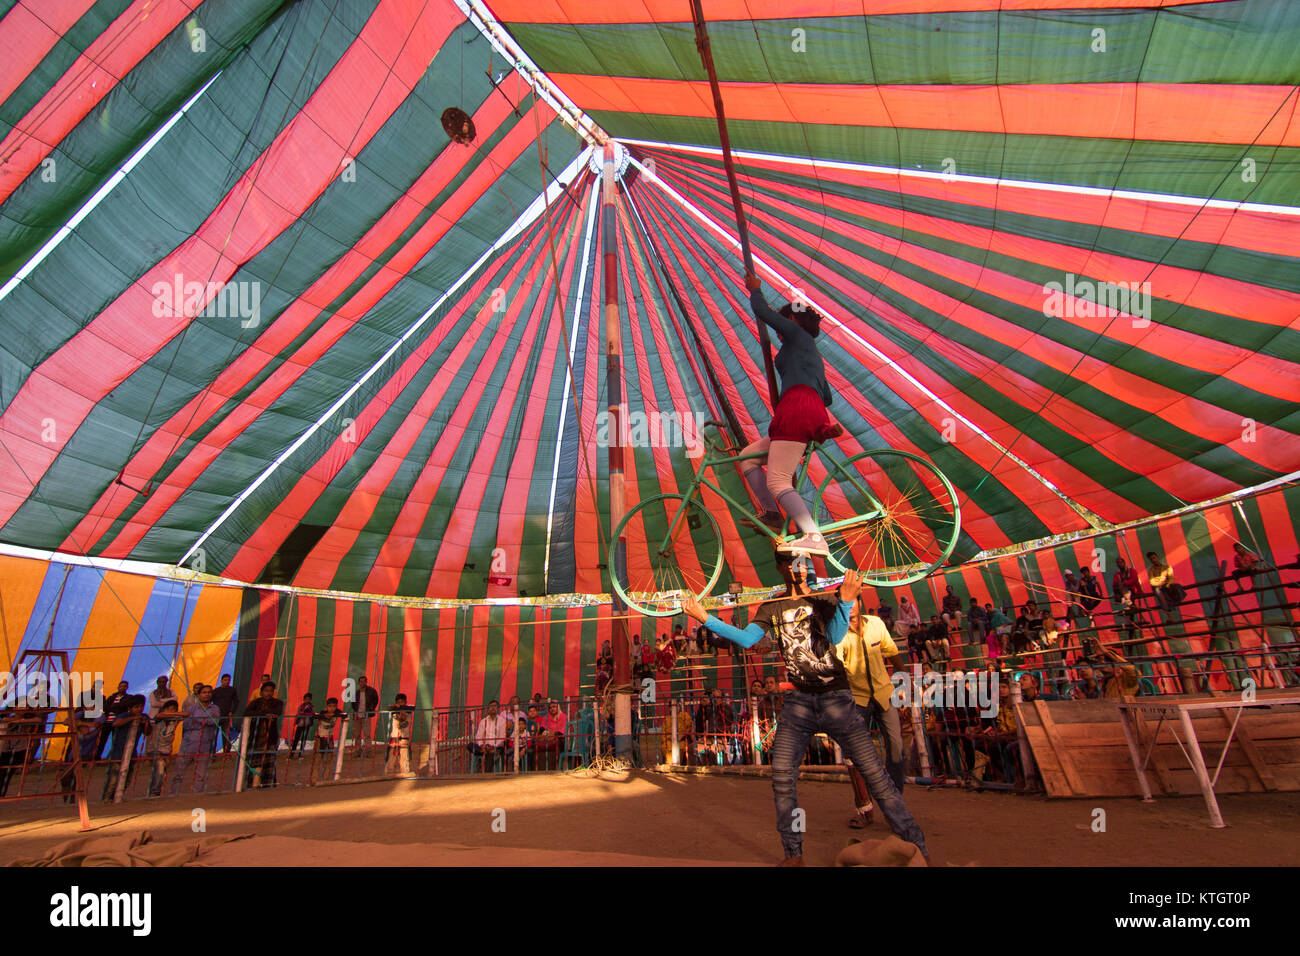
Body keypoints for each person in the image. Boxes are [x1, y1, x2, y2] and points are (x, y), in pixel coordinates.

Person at [683, 557, 928, 865]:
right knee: (783, 777)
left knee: (876, 777)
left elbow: (836, 636)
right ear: (783, 568)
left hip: (836, 698)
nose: (799, 567)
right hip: (799, 703)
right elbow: (747, 639)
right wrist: (706, 617)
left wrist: (846, 602)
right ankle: (794, 853)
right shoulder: (772, 607)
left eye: (804, 561)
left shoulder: (825, 599)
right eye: (792, 562)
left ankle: (916, 846)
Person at [736, 273, 843, 555]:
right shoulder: (808, 351)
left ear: (793, 321)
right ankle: (771, 513)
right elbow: (827, 397)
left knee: (778, 480)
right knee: (748, 458)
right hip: (801, 408)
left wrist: (755, 290)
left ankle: (814, 537)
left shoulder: (798, 335)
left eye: (785, 321)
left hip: (796, 408)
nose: (779, 331)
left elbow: (762, 312)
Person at [836, 596, 906, 829]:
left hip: (884, 694)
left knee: (896, 749)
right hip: (857, 699)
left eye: (853, 599)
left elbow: (891, 650)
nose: (851, 605)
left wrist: (905, 677)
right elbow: (836, 668)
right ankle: (864, 809)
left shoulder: (876, 623)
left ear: (859, 601)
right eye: (845, 600)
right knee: (853, 757)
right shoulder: (837, 633)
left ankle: (894, 805)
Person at [169, 685, 220, 795]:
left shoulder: (215, 708)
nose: (207, 694)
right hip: (188, 743)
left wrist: (196, 719)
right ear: (198, 695)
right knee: (179, 771)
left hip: (205, 743)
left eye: (209, 692)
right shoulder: (191, 709)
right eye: (204, 692)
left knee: (201, 773)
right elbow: (187, 725)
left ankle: (197, 794)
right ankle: (174, 793)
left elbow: (213, 721)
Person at [101, 695, 149, 802]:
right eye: (136, 707)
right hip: (117, 752)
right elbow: (115, 723)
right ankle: (106, 799)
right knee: (113, 779)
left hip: (132, 753)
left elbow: (148, 732)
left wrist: (145, 723)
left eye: (141, 707)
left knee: (127, 777)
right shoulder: (124, 716)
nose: (139, 709)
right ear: (130, 708)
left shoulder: (144, 717)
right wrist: (133, 718)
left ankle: (118, 796)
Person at [244, 681, 285, 789]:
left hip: (270, 737)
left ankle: (267, 783)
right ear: (261, 692)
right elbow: (247, 712)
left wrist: (265, 713)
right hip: (256, 737)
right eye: (266, 691)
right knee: (254, 760)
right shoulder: (255, 702)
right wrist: (264, 714)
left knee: (269, 761)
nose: (268, 693)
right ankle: (252, 783)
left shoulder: (277, 702)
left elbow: (278, 711)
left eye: (271, 691)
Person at [145, 699, 181, 796]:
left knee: (161, 771)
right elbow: (159, 715)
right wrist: (173, 715)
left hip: (166, 749)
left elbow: (186, 714)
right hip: (155, 748)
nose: (171, 711)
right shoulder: (159, 719)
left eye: (174, 710)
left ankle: (155, 790)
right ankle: (154, 792)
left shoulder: (174, 721)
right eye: (169, 709)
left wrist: (176, 715)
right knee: (159, 769)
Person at [310, 697, 343, 785]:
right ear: (326, 706)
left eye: (334, 706)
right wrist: (324, 716)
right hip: (320, 738)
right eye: (330, 706)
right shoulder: (322, 713)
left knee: (329, 759)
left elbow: (343, 714)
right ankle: (314, 779)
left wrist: (335, 714)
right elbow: (314, 715)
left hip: (329, 738)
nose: (331, 708)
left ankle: (326, 779)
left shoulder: (336, 713)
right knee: (318, 759)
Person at [470, 700, 509, 773]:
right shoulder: (483, 721)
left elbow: (502, 738)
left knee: (492, 753)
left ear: (498, 708)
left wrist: (493, 746)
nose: (492, 708)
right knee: (470, 745)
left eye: (494, 706)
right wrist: (482, 745)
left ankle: (487, 773)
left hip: (495, 746)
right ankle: (485, 751)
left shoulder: (502, 721)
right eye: (491, 707)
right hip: (484, 747)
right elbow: (478, 736)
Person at [385, 694, 414, 776]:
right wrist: (396, 707)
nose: (400, 704)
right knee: (391, 756)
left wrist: (401, 709)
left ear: (405, 702)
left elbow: (412, 709)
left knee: (404, 756)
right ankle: (388, 772)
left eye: (402, 702)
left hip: (404, 736)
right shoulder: (394, 710)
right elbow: (389, 708)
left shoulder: (408, 710)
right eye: (398, 702)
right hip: (394, 736)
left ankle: (405, 771)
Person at [210, 674, 239, 753]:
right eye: (225, 680)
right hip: (216, 716)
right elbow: (209, 702)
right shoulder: (216, 691)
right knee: (213, 735)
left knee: (226, 735)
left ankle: (226, 752)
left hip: (226, 716)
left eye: (228, 680)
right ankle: (212, 753)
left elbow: (236, 702)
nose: (227, 682)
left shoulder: (232, 690)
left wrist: (232, 712)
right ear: (221, 681)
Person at [535, 700, 568, 770]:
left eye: (554, 707)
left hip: (559, 738)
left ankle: (554, 768)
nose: (552, 709)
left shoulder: (563, 717)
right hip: (547, 738)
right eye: (550, 707)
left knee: (556, 744)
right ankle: (542, 769)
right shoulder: (546, 717)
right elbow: (542, 728)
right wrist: (547, 733)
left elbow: (562, 732)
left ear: (558, 707)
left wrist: (553, 733)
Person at [351, 675, 380, 747]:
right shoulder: (357, 693)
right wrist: (356, 712)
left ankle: (368, 751)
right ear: (359, 683)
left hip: (366, 715)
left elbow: (376, 700)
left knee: (367, 734)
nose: (362, 683)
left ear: (366, 682)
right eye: (361, 682)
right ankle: (357, 750)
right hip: (358, 716)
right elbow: (353, 704)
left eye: (364, 681)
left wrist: (371, 709)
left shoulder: (371, 691)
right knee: (357, 734)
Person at [290, 693, 314, 757]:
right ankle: (292, 753)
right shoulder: (301, 706)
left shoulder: (311, 707)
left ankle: (300, 754)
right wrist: (296, 721)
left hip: (306, 724)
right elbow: (298, 714)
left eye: (308, 699)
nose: (307, 700)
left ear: (310, 700)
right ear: (304, 699)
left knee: (304, 739)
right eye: (306, 699)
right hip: (300, 724)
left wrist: (304, 714)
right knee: (296, 738)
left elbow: (312, 714)